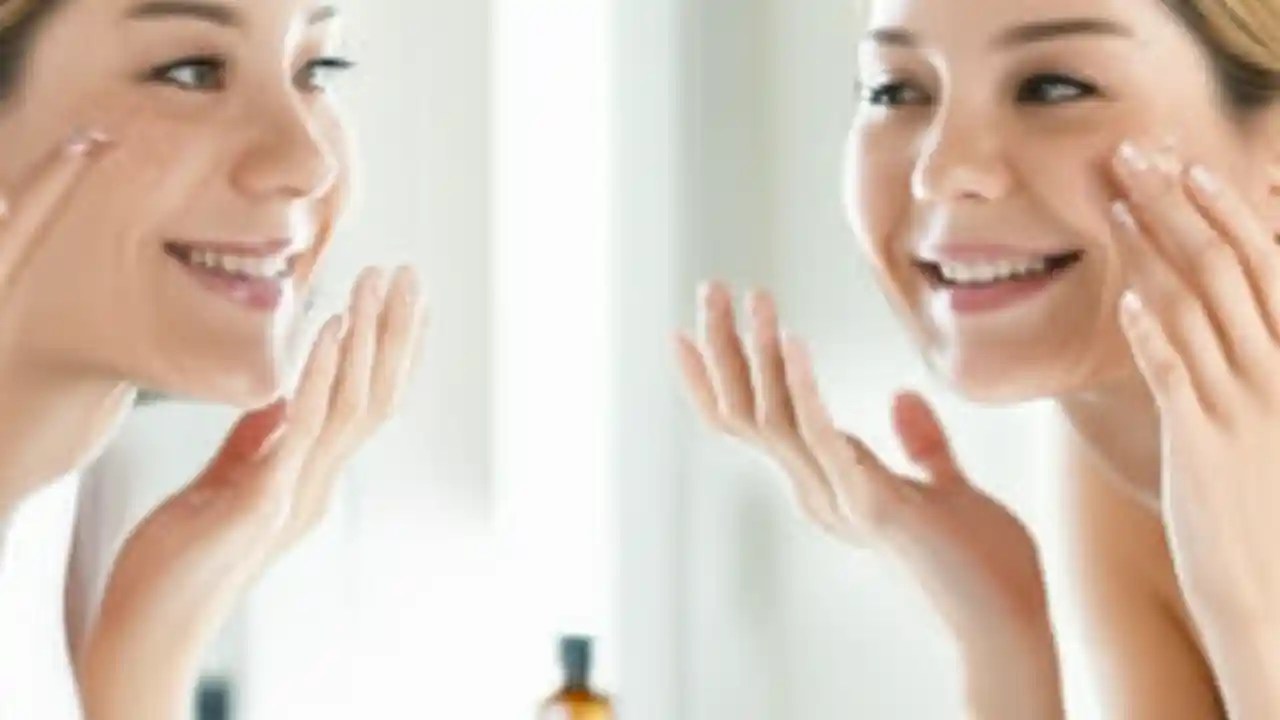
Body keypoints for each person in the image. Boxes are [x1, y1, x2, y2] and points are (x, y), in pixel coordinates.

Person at [677, 0, 1280, 717]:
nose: (941, 169)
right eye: (895, 90)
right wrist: (1002, 635)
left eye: (1053, 87)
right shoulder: (1134, 427)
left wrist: (1256, 611)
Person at [0, 0, 428, 717]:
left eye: (315, 68)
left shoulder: (49, 520)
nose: (307, 162)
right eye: (193, 72)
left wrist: (150, 651)